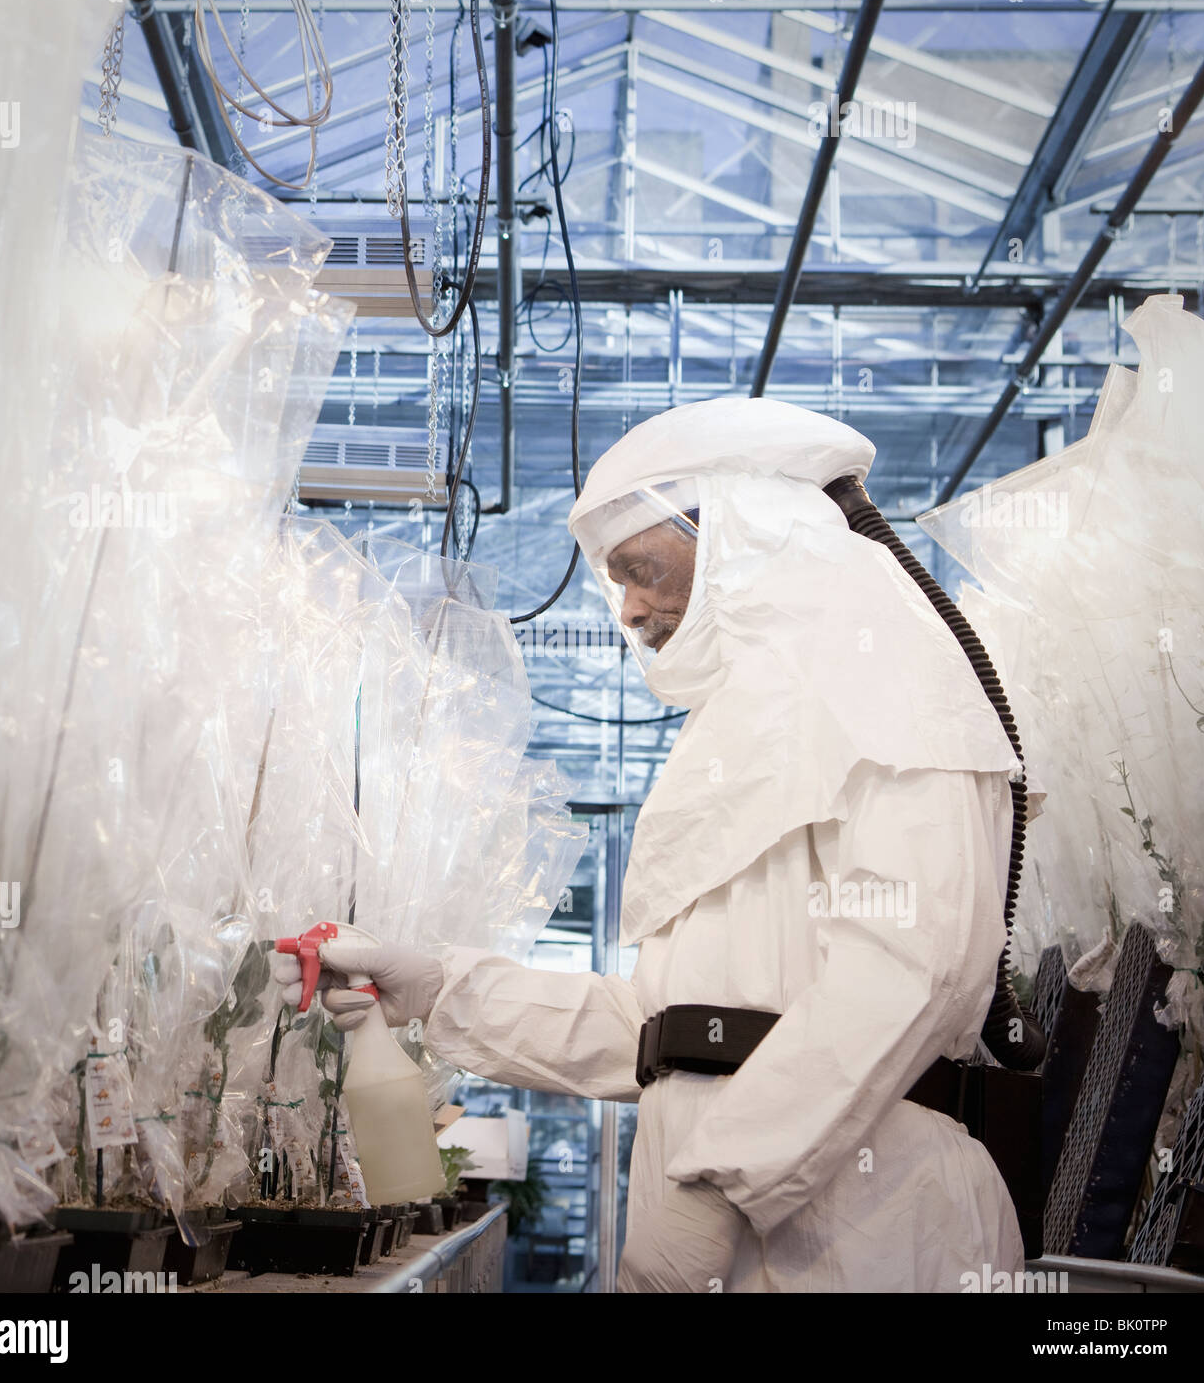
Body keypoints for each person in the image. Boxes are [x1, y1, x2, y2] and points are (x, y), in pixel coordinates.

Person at [272, 396, 1026, 1292]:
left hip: (862, 1237)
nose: (627, 609)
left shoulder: (891, 678)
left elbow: (909, 970)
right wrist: (441, 987)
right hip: (742, 1218)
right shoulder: (752, 726)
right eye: (616, 578)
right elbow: (669, 1033)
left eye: (642, 568)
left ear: (745, 532)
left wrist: (726, 1189)